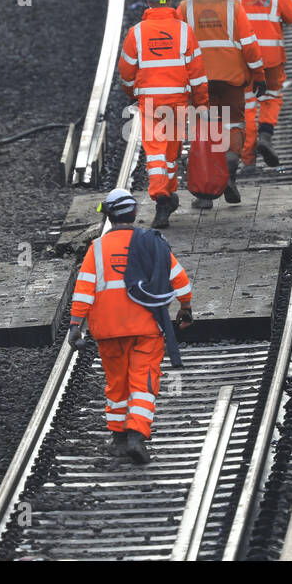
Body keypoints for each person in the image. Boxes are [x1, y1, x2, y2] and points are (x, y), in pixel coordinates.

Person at [68, 189, 193, 464]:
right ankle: (137, 434)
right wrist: (185, 307)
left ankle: (119, 439)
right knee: (143, 382)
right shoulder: (151, 242)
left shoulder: (96, 249)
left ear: (110, 217)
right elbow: (179, 279)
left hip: (108, 330)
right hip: (146, 327)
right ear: (135, 214)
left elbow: (83, 290)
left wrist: (76, 324)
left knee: (116, 384)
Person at [118, 0, 209, 228]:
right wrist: (201, 102)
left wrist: (132, 93)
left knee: (156, 152)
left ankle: (162, 196)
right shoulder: (184, 31)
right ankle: (166, 197)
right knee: (170, 152)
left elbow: (125, 72)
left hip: (151, 102)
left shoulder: (135, 33)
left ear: (148, 1)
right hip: (177, 101)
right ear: (169, 0)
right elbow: (198, 73)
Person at [178, 0, 265, 207]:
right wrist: (259, 75)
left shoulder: (185, 8)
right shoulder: (233, 6)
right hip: (231, 79)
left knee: (205, 133)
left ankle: (205, 196)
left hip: (199, 81)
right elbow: (249, 45)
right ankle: (228, 172)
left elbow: (178, 45)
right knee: (234, 125)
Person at [226, 0, 292, 169]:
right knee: (271, 97)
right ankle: (265, 137)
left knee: (247, 105)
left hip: (244, 59)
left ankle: (248, 160)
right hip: (272, 60)